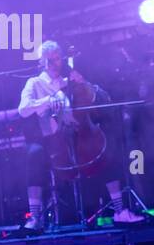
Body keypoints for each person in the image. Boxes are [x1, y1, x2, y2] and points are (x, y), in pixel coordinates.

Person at [17, 40, 146, 230]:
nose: (54, 63)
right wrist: (47, 100)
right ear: (42, 63)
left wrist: (84, 83)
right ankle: (35, 217)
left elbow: (102, 99)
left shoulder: (69, 81)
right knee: (34, 154)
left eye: (57, 59)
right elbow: (23, 109)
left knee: (106, 150)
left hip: (80, 134)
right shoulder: (34, 83)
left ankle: (120, 211)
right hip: (52, 140)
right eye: (50, 60)